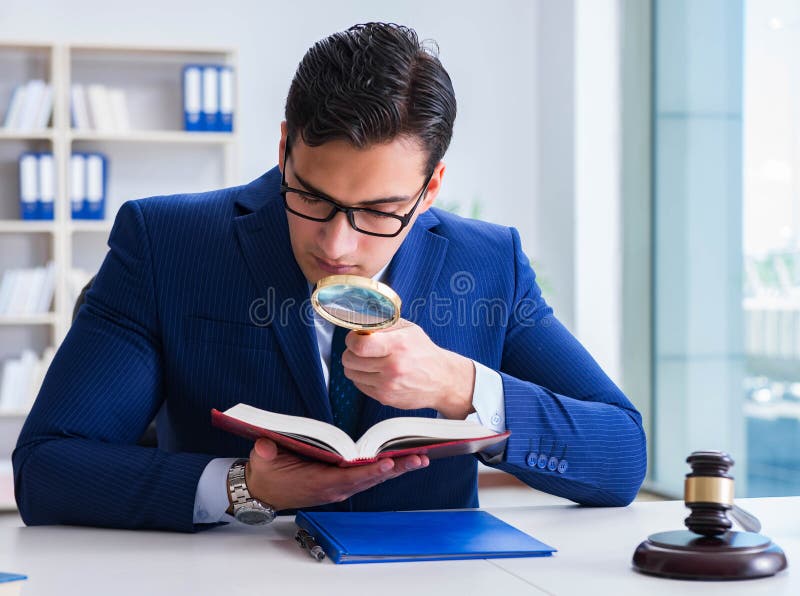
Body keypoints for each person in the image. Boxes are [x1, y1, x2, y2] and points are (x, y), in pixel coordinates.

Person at [13, 22, 646, 532]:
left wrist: (462, 386)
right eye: (312, 197)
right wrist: (243, 485)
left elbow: (622, 456)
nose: (337, 245)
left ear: (431, 189)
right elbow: (47, 467)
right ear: (285, 146)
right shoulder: (166, 244)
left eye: (378, 211)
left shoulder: (487, 262)